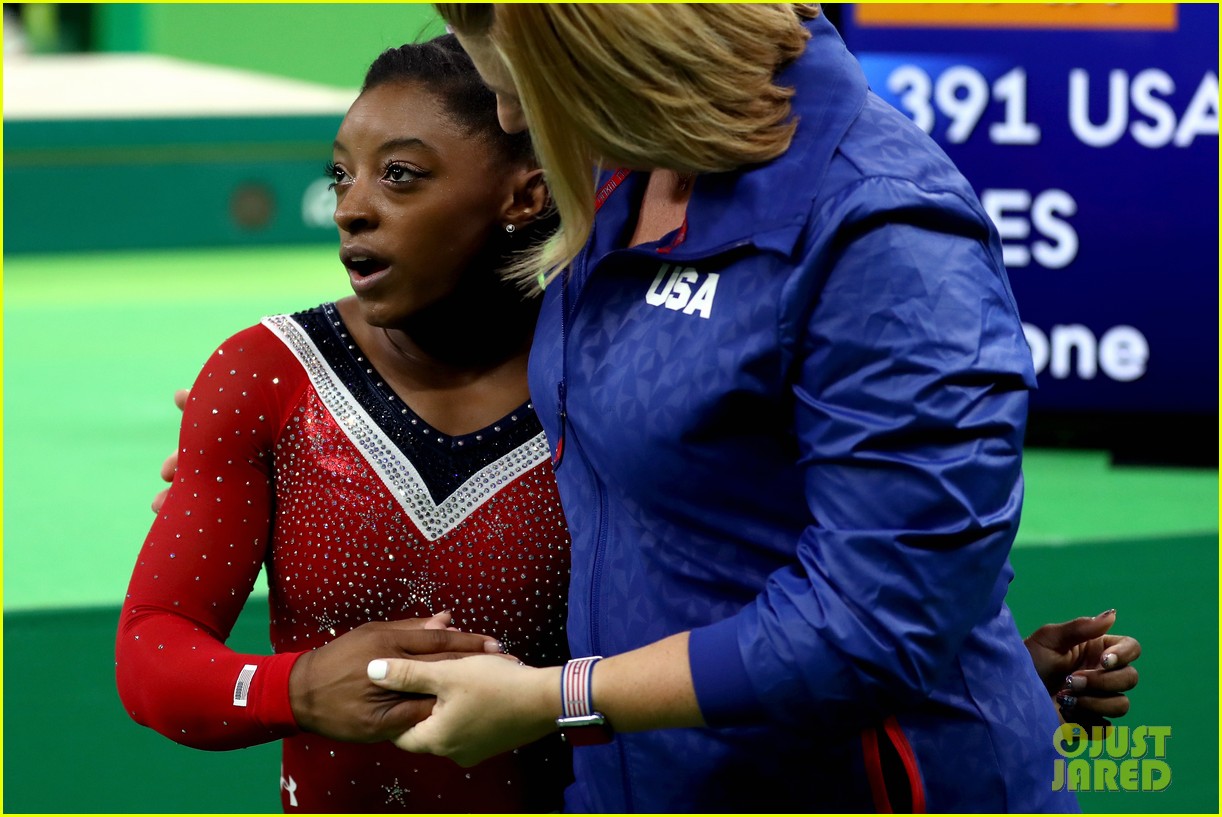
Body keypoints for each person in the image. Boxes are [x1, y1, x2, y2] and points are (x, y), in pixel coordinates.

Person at [363, 5, 1141, 812]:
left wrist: (556, 697)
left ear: (616, 45)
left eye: (522, 86)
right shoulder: (626, 170)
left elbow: (877, 621)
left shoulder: (882, 223)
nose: (511, 118)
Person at [116, 35, 573, 813]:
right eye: (340, 174)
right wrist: (294, 686)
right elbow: (152, 647)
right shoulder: (267, 373)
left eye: (400, 175)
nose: (351, 206)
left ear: (524, 194)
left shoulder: (613, 377)